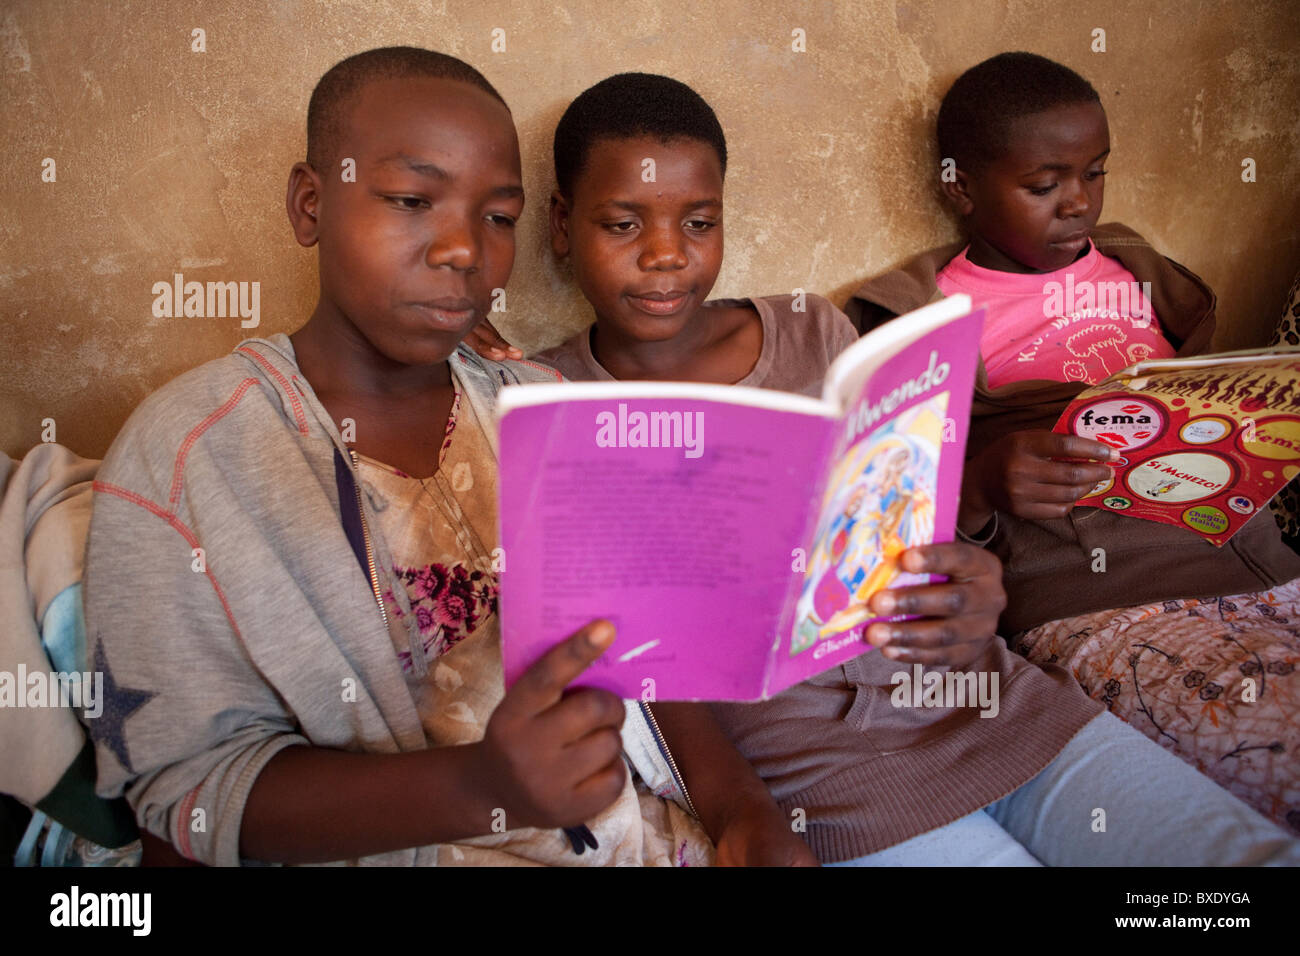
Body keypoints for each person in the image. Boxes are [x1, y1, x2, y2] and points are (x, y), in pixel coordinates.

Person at [469, 71, 1300, 863]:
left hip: (988, 701)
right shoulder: (550, 401)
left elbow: (917, 529)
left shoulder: (811, 333)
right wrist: (737, 808)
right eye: (622, 224)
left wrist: (974, 583)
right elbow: (623, 660)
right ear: (559, 226)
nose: (665, 255)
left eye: (699, 221)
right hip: (821, 767)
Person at [81, 46, 816, 867]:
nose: (465, 249)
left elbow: (639, 650)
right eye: (411, 199)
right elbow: (190, 800)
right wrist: (481, 786)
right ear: (310, 204)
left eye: (498, 217)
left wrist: (743, 807)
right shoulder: (191, 457)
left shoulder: (540, 405)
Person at [845, 52, 1300, 833]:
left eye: (1096, 173)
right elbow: (882, 520)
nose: (1078, 204)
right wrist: (980, 485)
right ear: (959, 187)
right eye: (1044, 184)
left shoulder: (1139, 270)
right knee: (1276, 759)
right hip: (1100, 604)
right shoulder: (920, 320)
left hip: (1266, 567)